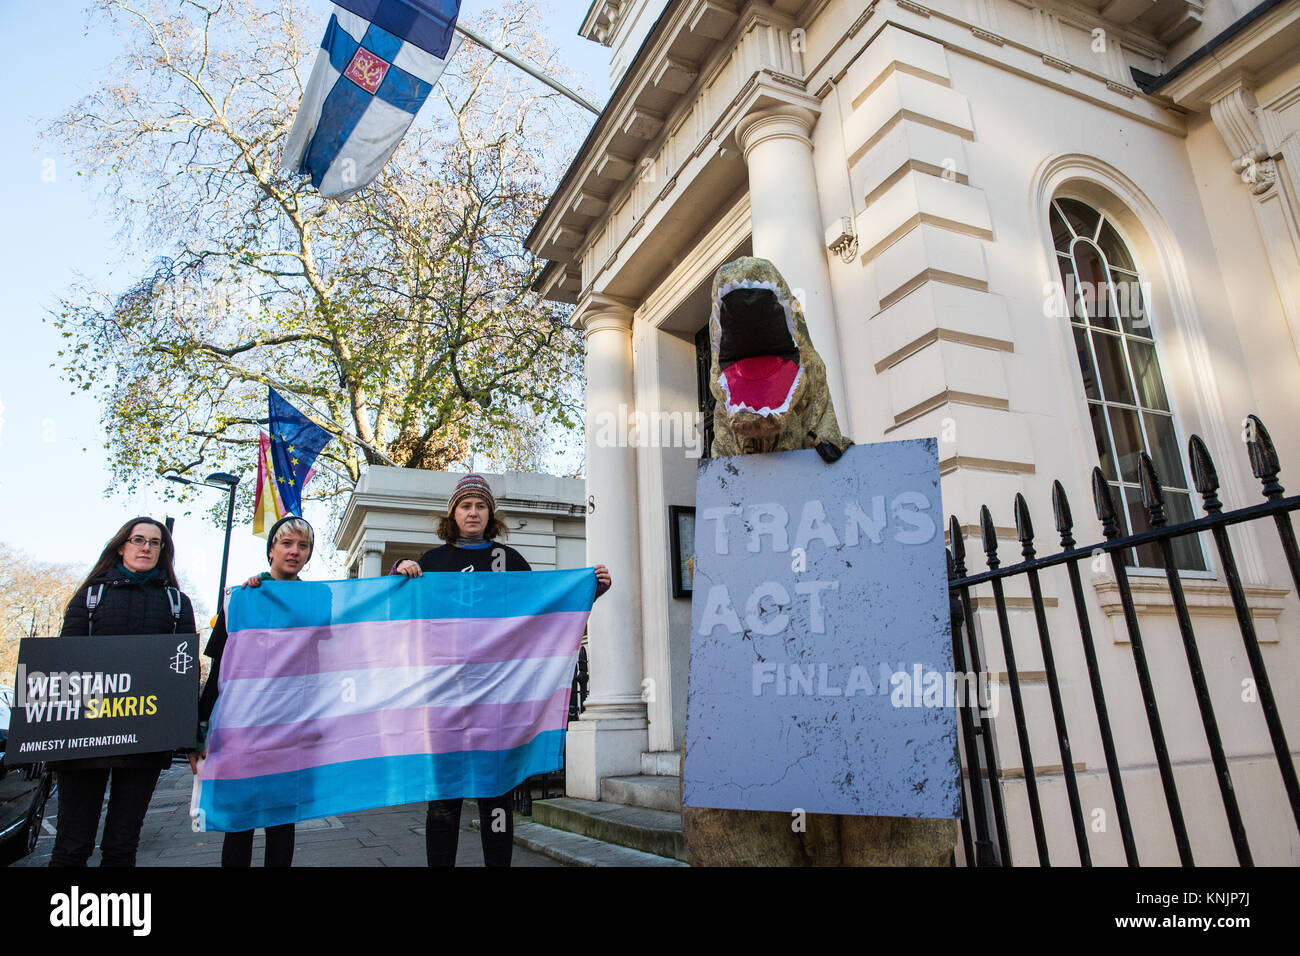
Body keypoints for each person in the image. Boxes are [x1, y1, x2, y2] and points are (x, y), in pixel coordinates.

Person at [392, 473, 611, 867]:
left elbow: (544, 610)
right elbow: (402, 616)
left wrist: (588, 590)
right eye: (465, 506)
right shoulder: (432, 562)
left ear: (490, 514)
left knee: (496, 799)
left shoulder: (510, 561)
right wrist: (399, 572)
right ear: (452, 514)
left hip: (497, 704)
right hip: (445, 701)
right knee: (443, 799)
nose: (472, 512)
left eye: (480, 506)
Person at [50, 517, 198, 867]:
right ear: (122, 546)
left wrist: (188, 733)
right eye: (138, 540)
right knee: (72, 847)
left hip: (143, 740)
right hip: (85, 739)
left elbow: (185, 672)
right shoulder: (90, 598)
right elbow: (64, 666)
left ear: (163, 551)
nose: (146, 547)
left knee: (122, 845)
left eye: (154, 542)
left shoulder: (177, 604)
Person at [192, 514, 315, 867]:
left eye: (302, 546)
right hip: (241, 728)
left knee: (281, 821)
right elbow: (218, 669)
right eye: (286, 543)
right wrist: (199, 729)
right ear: (271, 550)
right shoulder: (242, 599)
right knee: (240, 820)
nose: (294, 551)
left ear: (308, 555)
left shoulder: (317, 601)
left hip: (290, 728)